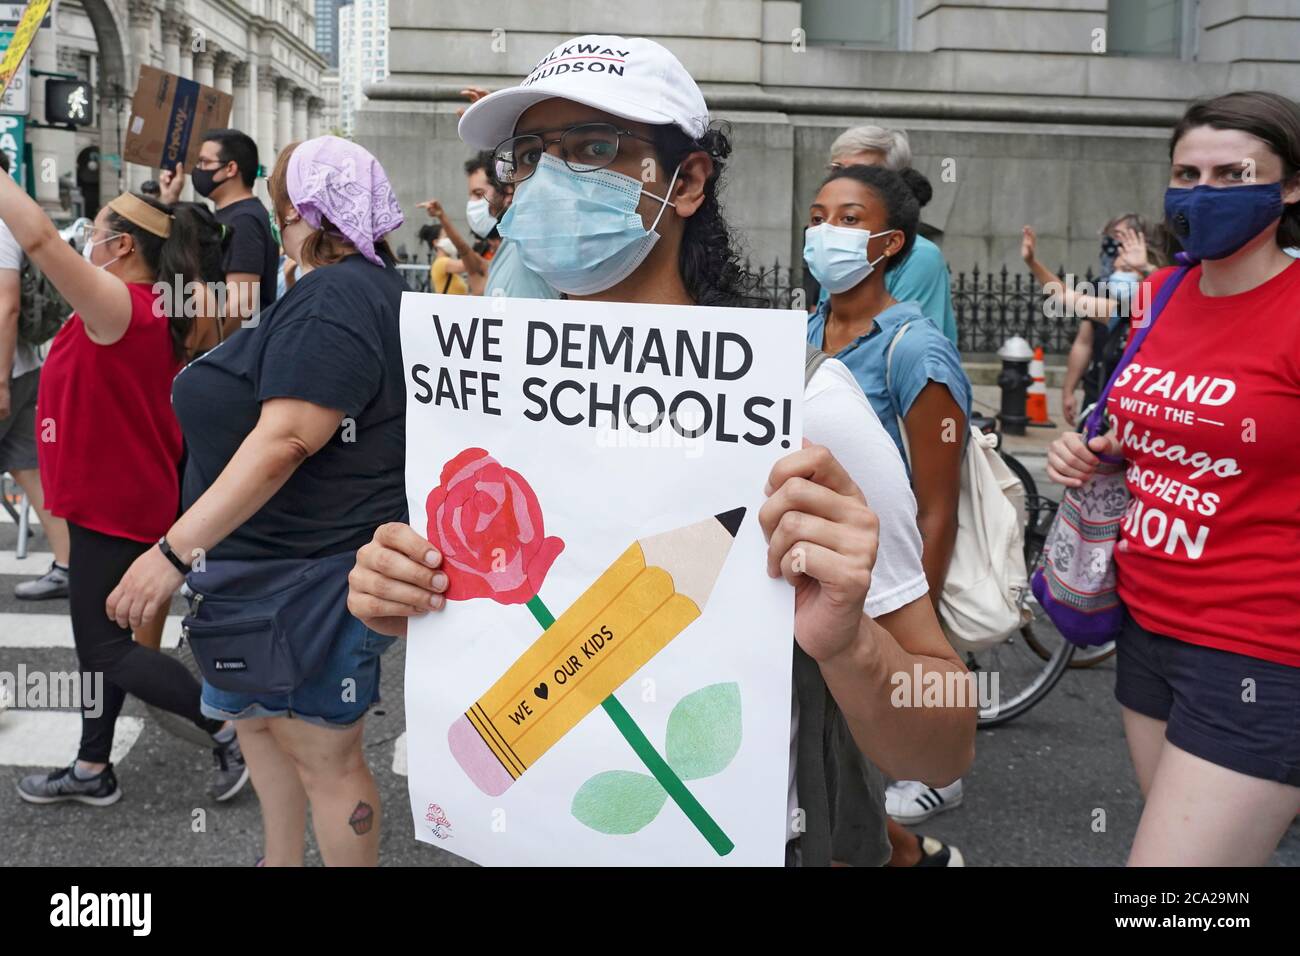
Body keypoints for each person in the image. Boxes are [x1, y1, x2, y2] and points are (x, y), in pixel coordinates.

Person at [346, 34, 976, 867]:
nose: (549, 179)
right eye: (528, 156)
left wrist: (853, 644)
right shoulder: (487, 402)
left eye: (597, 148)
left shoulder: (803, 402)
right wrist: (402, 589)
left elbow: (941, 747)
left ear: (687, 181)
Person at [106, 136, 408, 867]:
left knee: (324, 761)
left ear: (303, 209)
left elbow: (285, 442)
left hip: (300, 578)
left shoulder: (335, 297)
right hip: (277, 573)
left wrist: (170, 553)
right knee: (268, 735)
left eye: (282, 205)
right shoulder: (356, 290)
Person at [1047, 91, 1300, 866]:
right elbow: (1140, 435)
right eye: (1187, 172)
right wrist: (1087, 455)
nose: (1202, 192)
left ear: (1289, 187)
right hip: (1146, 625)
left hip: (1262, 647)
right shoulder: (1165, 296)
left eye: (1233, 174)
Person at [0, 175, 248, 807]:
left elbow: (38, 237)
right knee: (101, 643)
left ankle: (225, 729)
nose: (86, 238)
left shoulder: (123, 308)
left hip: (115, 501)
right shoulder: (147, 307)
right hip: (117, 496)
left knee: (107, 647)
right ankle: (92, 765)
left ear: (123, 249)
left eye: (98, 229)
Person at [805, 163, 973, 863]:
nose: (825, 233)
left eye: (848, 220)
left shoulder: (915, 349)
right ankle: (901, 850)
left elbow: (936, 511)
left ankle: (904, 854)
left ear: (890, 244)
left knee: (851, 767)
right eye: (818, 216)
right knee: (823, 776)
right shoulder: (806, 327)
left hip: (878, 606)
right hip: (812, 585)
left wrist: (908, 640)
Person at [0, 151, 70, 600]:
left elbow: (6, 305)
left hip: (7, 372)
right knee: (31, 470)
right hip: (23, 367)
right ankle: (69, 565)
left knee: (33, 471)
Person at [819, 125, 958, 345]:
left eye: (861, 173)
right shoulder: (829, 245)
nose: (842, 182)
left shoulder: (920, 257)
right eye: (837, 169)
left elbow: (904, 347)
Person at [1022, 215, 1162, 424]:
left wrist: (1147, 269)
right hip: (1106, 411)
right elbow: (1064, 296)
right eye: (1117, 268)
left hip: (1146, 415)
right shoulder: (1122, 311)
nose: (1117, 276)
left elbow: (1170, 291)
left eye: (1126, 270)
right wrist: (1032, 262)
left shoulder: (1165, 307)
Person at [160, 129, 279, 335]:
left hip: (234, 354)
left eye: (205, 163)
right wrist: (169, 199)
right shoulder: (233, 215)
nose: (198, 170)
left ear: (230, 168)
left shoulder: (245, 220)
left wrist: (205, 344)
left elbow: (241, 302)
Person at [461, 148, 559, 300]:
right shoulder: (508, 243)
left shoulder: (532, 239)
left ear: (507, 191)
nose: (472, 203)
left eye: (479, 194)